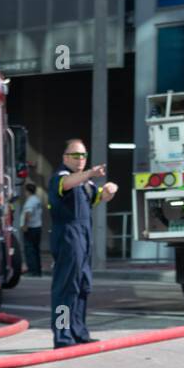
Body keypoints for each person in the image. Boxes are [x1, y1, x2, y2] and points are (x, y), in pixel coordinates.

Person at [47, 138, 118, 347]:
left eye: (83, 155)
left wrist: (110, 190)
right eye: (76, 155)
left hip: (84, 237)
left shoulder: (85, 184)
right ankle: (63, 335)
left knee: (82, 286)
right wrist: (90, 173)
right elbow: (67, 183)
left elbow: (99, 197)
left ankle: (79, 332)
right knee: (65, 288)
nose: (81, 159)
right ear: (65, 157)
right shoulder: (61, 177)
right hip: (68, 237)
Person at [20, 182, 44, 276]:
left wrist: (25, 225)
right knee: (36, 250)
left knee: (29, 250)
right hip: (37, 227)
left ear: (27, 191)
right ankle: (37, 271)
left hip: (31, 228)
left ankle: (32, 271)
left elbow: (28, 213)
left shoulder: (30, 201)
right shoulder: (37, 200)